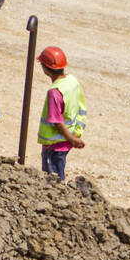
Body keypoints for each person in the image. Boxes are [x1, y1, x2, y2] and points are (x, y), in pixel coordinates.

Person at [36, 46, 87, 181]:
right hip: (66, 141)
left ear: (45, 69)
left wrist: (71, 138)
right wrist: (75, 134)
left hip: (55, 144)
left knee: (53, 181)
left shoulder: (55, 91)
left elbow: (57, 122)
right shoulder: (72, 81)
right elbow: (81, 107)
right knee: (58, 174)